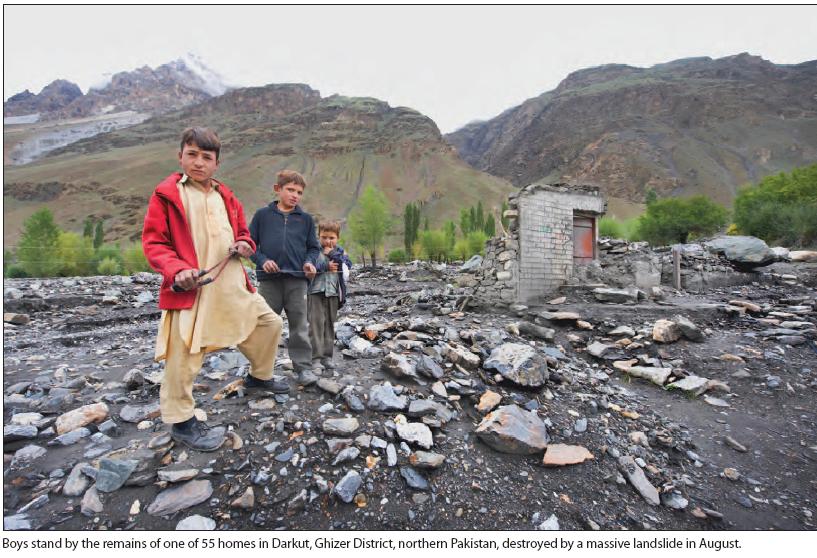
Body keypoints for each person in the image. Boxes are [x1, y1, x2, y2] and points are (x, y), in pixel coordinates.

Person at [142, 127, 289, 452]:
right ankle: (181, 421)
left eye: (206, 157)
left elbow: (244, 233)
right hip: (192, 288)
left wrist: (245, 244)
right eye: (192, 155)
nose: (198, 163)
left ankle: (259, 377)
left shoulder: (226, 195)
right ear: (180, 156)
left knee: (269, 324)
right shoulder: (167, 194)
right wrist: (177, 270)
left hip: (233, 282)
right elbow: (154, 243)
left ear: (216, 163)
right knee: (185, 351)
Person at [249, 170, 321, 385]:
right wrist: (262, 261)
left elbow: (313, 248)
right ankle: (260, 371)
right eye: (290, 189)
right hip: (269, 282)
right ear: (277, 189)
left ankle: (303, 369)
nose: (295, 195)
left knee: (299, 325)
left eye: (299, 192)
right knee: (266, 325)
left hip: (297, 281)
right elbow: (251, 245)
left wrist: (310, 263)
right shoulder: (262, 216)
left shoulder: (306, 220)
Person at [308, 220, 353, 372]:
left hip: (333, 292)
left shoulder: (340, 252)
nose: (328, 241)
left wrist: (332, 254)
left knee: (329, 325)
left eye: (332, 238)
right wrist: (325, 267)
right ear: (318, 236)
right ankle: (315, 359)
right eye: (324, 237)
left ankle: (327, 357)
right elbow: (309, 268)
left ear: (337, 238)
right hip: (315, 292)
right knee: (316, 324)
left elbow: (347, 267)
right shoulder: (313, 251)